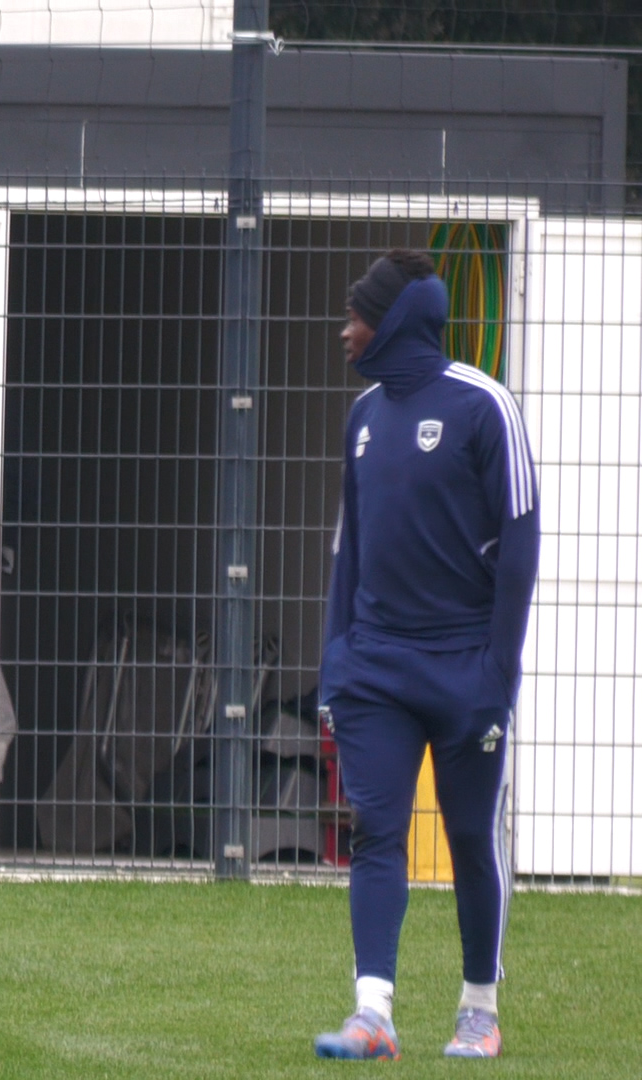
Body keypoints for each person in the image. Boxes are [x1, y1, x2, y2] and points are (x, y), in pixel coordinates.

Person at [313, 250, 538, 1061]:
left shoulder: (486, 405)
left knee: (472, 836)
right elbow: (350, 551)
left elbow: (520, 542)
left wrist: (497, 676)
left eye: (356, 318)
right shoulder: (364, 415)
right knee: (377, 828)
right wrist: (336, 662)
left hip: (465, 669)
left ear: (395, 320)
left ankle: (479, 1007)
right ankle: (373, 1013)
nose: (345, 332)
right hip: (376, 668)